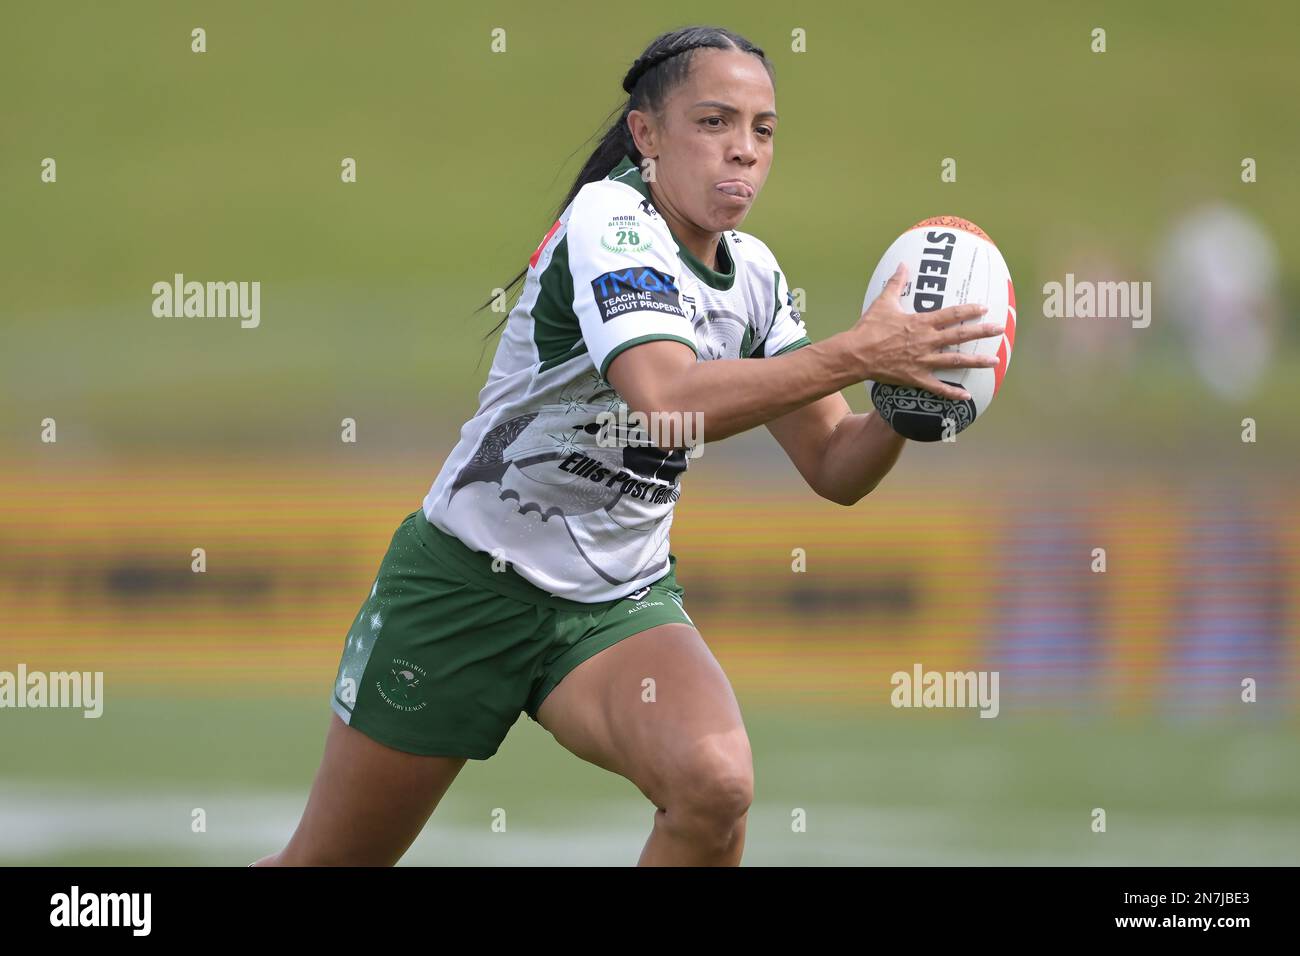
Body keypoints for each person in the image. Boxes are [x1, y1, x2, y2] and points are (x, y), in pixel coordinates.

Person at [254, 24, 1001, 867]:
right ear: (646, 135)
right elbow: (666, 400)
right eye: (714, 122)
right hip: (466, 584)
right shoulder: (611, 218)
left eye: (762, 130)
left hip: (614, 606)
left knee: (714, 788)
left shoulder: (753, 276)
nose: (745, 151)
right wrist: (862, 353)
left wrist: (911, 395)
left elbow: (836, 466)